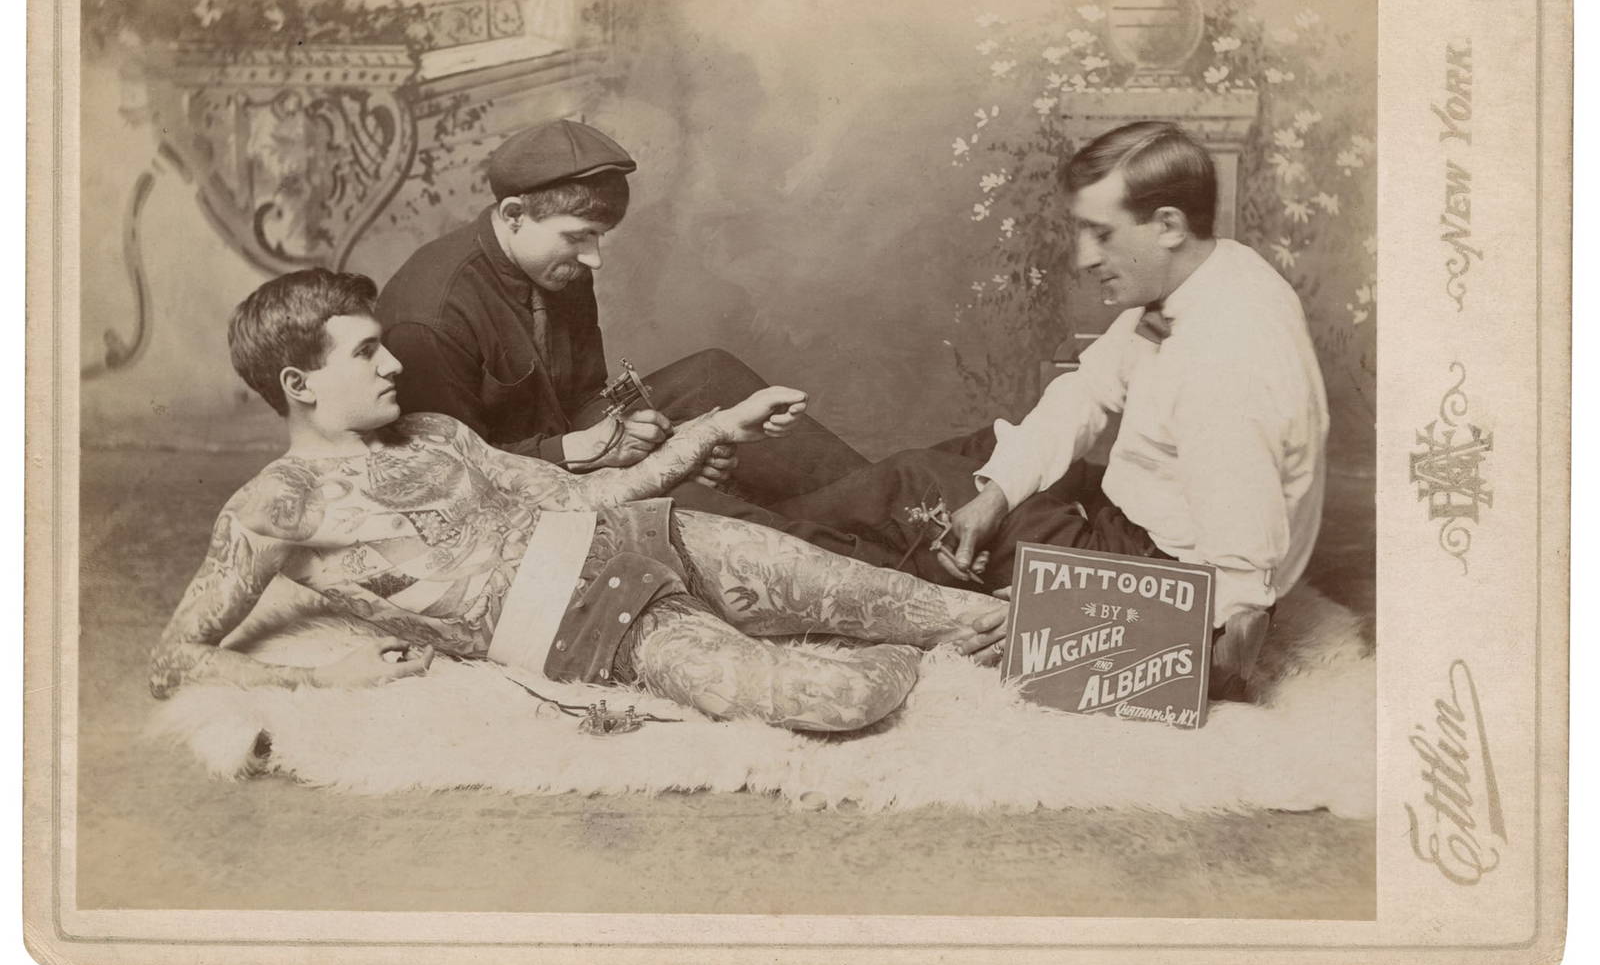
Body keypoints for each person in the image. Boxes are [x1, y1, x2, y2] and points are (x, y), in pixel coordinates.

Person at [148, 270, 1007, 733]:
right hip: (596, 626)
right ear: (299, 382)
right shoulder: (274, 505)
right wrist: (322, 676)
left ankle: (1073, 636)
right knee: (840, 701)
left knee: (947, 611)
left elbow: (590, 492)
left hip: (654, 537)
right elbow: (174, 658)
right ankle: (885, 652)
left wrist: (715, 428)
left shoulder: (438, 432)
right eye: (367, 353)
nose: (393, 366)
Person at [772, 121, 1330, 693]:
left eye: (1101, 233)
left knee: (913, 485)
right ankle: (790, 526)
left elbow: (1240, 590)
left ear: (1167, 225)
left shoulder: (1224, 360)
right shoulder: (1213, 272)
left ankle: (741, 543)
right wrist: (996, 495)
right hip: (1140, 514)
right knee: (977, 459)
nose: (1084, 257)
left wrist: (1084, 619)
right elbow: (1087, 390)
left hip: (1164, 575)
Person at [375, 118, 887, 563]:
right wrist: (641, 455)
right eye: (578, 236)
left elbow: (585, 397)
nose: (594, 258)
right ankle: (877, 567)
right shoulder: (432, 318)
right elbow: (458, 477)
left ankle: (891, 510)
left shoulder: (560, 268)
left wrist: (661, 435)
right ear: (513, 215)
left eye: (600, 237)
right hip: (506, 493)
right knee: (689, 502)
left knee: (711, 374)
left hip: (569, 444)